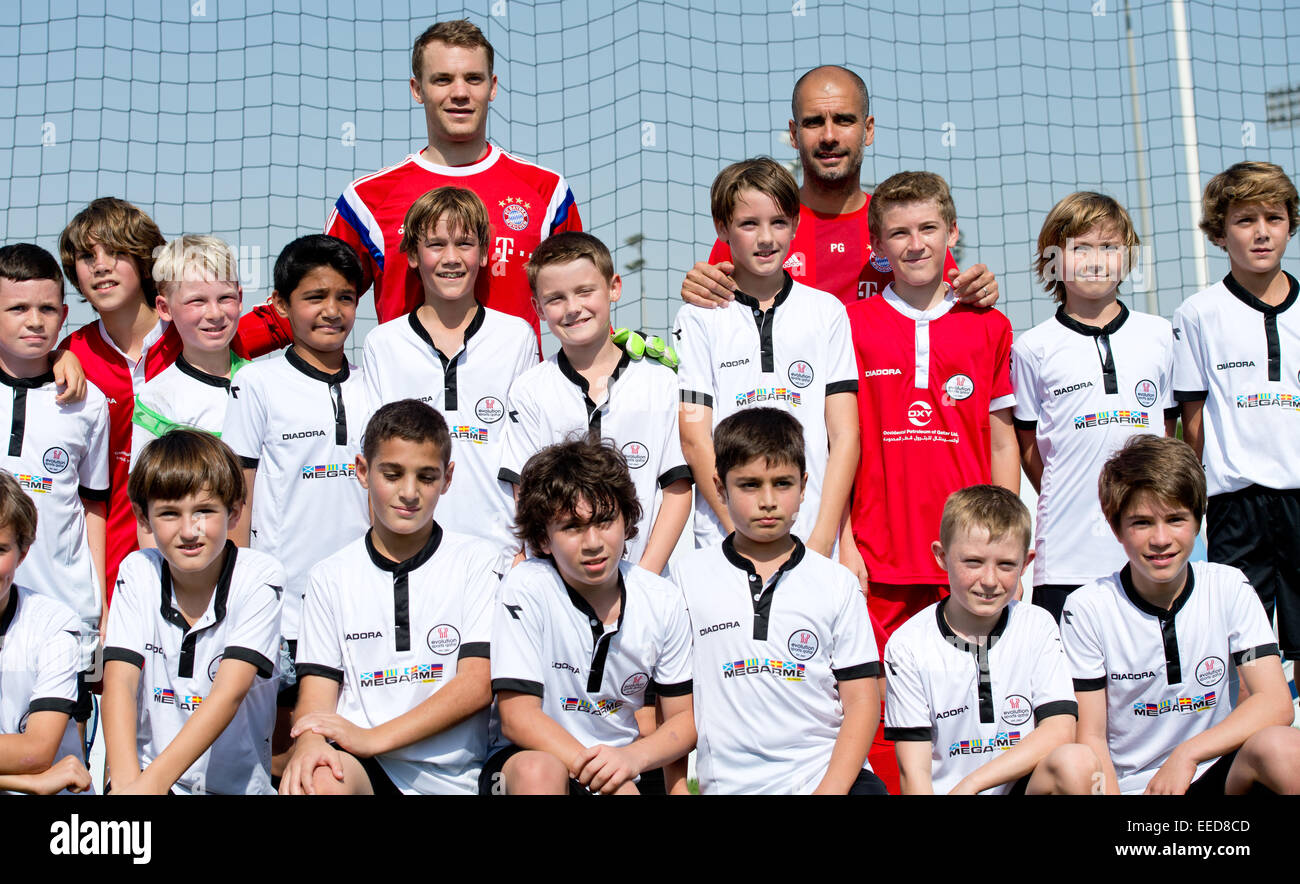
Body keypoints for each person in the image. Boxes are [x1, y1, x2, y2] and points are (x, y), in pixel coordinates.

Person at [841, 171, 1016, 793]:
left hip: (969, 558)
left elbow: (1001, 440)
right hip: (880, 552)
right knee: (887, 704)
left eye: (927, 229)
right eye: (899, 233)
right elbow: (842, 442)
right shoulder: (851, 324)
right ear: (877, 247)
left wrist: (1010, 540)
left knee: (971, 697)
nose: (915, 245)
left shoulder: (989, 325)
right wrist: (844, 540)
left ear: (952, 234)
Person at [58, 198, 280, 592]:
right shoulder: (71, 356)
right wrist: (55, 355)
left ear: (145, 259)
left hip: (216, 553)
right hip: (116, 557)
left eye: (116, 251)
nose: (101, 265)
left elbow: (296, 314)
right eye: (87, 255)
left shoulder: (205, 330)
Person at [1062, 434, 1300, 794]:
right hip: (1131, 788)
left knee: (1282, 746)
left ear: (1198, 520)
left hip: (1211, 773)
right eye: (1141, 523)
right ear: (1116, 529)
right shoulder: (1087, 608)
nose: (1161, 539)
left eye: (1176, 519)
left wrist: (1187, 754)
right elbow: (1091, 738)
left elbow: (1276, 704)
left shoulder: (1229, 586)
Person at [282, 400, 497, 795]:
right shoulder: (330, 575)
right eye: (393, 474)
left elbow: (477, 684)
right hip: (366, 767)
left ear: (448, 479)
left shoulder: (478, 562)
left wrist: (375, 737)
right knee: (314, 778)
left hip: (460, 772)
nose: (409, 492)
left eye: (426, 477)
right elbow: (316, 695)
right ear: (363, 471)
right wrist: (311, 742)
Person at [671, 408, 884, 794]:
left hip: (827, 779)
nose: (767, 501)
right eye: (749, 485)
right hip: (731, 785)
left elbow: (862, 703)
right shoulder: (686, 579)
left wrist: (830, 790)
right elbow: (673, 703)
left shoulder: (835, 582)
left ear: (804, 487)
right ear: (719, 487)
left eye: (782, 483)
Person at [326, 18, 582, 339]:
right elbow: (311, 299)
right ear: (417, 89)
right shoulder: (366, 199)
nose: (460, 92)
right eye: (443, 80)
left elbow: (583, 301)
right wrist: (242, 340)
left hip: (517, 389)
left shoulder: (548, 192)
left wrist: (624, 360)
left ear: (493, 86)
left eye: (473, 78)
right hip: (407, 389)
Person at [222, 234, 371, 767]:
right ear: (282, 306)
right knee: (283, 752)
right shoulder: (257, 384)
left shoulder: (374, 385)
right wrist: (239, 586)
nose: (332, 311)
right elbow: (237, 494)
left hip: (359, 600)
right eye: (315, 297)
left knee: (341, 749)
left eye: (346, 297)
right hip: (284, 607)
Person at [680, 65, 997, 309]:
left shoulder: (902, 228)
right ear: (793, 134)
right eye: (814, 122)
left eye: (844, 120)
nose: (829, 136)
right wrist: (700, 289)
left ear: (868, 130)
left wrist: (975, 291)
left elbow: (947, 304)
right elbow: (715, 317)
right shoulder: (758, 228)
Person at [485, 437, 694, 795]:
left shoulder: (662, 599)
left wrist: (631, 761)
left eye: (605, 520)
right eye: (572, 527)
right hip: (528, 760)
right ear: (543, 538)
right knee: (539, 771)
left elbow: (683, 722)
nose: (593, 542)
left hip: (624, 763)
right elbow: (517, 719)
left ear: (627, 520)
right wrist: (607, 778)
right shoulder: (527, 586)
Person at [673, 157, 858, 555]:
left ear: (794, 224)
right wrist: (734, 528)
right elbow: (694, 436)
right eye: (748, 224)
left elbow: (844, 435)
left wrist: (826, 537)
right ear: (722, 228)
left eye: (777, 222)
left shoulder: (826, 312)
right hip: (723, 538)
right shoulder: (698, 316)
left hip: (811, 536)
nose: (765, 238)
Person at [1013, 192, 1178, 622]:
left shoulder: (1159, 335)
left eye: (1109, 248)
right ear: (1052, 258)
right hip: (1068, 552)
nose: (1096, 260)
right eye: (1080, 248)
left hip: (1146, 550)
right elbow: (1028, 443)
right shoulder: (1033, 347)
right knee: (1067, 683)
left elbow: (1166, 432)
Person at [363, 187, 536, 573]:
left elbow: (530, 451)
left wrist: (530, 547)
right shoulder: (383, 344)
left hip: (501, 554)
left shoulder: (516, 337)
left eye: (465, 243)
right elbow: (376, 458)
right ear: (411, 255)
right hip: (410, 553)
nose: (452, 258)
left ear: (486, 253)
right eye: (436, 245)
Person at [102, 430, 285, 794]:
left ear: (234, 512)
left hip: (235, 788)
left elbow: (227, 695)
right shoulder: (137, 571)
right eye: (169, 513)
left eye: (204, 511)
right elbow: (119, 682)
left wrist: (147, 788)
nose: (189, 530)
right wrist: (124, 784)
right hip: (144, 780)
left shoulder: (261, 576)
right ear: (142, 516)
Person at [884, 484, 1099, 794]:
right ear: (941, 556)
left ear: (1026, 563)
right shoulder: (909, 645)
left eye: (1006, 565)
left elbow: (1060, 730)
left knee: (1078, 762)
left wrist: (972, 784)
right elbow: (914, 772)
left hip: (1013, 788)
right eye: (973, 562)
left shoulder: (1037, 625)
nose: (989, 580)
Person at [499, 232, 692, 575]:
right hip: (560, 584)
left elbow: (677, 489)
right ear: (537, 308)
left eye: (585, 291)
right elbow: (523, 495)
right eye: (555, 298)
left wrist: (644, 578)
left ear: (614, 287)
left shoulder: (660, 381)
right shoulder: (529, 391)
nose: (573, 308)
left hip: (643, 575)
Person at [1172, 161, 1300, 663]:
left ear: (1291, 223)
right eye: (1245, 220)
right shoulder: (1198, 314)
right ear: (1220, 234)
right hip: (1234, 505)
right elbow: (1192, 422)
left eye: (1275, 217)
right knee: (1240, 646)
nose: (1262, 232)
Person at [0, 244, 109, 728]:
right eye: (18, 308)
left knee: (64, 765)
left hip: (64, 614)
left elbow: (94, 508)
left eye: (47, 309)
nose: (34, 321)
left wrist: (99, 603)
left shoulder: (88, 404)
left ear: (65, 314)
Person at [0, 471, 95, 795]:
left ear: (22, 553)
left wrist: (30, 775)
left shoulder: (54, 623)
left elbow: (36, 752)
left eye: (0, 549)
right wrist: (25, 782)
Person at [129, 235, 248, 474]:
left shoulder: (264, 383)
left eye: (225, 298)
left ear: (240, 298)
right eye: (197, 301)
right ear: (165, 308)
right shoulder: (156, 399)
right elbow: (144, 495)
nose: (215, 313)